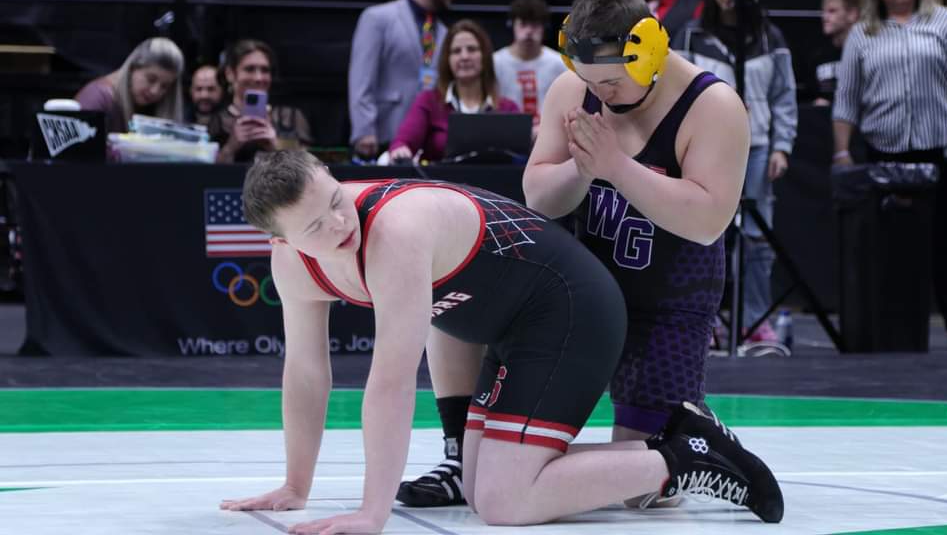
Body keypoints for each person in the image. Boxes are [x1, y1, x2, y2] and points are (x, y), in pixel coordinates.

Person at [220, 150, 783, 533]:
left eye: (337, 200)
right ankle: (677, 443)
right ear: (279, 240)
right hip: (504, 320)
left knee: (503, 499)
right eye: (315, 227)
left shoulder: (394, 232)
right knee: (480, 480)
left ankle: (684, 454)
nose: (340, 224)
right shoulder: (291, 266)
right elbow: (306, 373)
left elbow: (390, 380)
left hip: (568, 306)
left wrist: (373, 513)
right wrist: (297, 484)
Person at [400, 0, 766, 517]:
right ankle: (462, 454)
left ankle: (693, 443)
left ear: (652, 51)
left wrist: (616, 166)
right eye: (590, 81)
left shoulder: (712, 105)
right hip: (576, 295)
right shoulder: (573, 91)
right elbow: (539, 198)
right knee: (458, 290)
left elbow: (707, 222)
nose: (603, 94)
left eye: (613, 81)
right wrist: (582, 167)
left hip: (664, 300)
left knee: (643, 495)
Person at [833, 0, 947, 350]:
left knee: (945, 240)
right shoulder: (863, 35)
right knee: (888, 247)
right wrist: (842, 152)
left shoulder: (945, 24)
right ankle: (892, 323)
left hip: (937, 150)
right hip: (883, 153)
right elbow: (846, 99)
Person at [686, 0, 798, 342]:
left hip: (759, 148)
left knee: (755, 237)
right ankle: (705, 319)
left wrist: (782, 146)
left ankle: (753, 321)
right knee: (705, 235)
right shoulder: (692, 36)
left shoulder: (771, 38)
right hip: (708, 150)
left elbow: (784, 97)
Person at [349, 0, 458, 159]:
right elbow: (361, 77)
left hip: (426, 141)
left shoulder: (444, 31)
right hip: (384, 133)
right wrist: (364, 130)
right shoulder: (378, 18)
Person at [387, 20, 519, 163]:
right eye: (456, 51)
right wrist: (400, 150)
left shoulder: (507, 108)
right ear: (447, 60)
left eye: (472, 49)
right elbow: (402, 143)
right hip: (438, 184)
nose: (464, 57)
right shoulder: (428, 101)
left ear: (485, 56)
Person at [209, 39, 312, 164]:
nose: (259, 78)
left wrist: (276, 145)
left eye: (265, 70)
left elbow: (310, 170)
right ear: (230, 73)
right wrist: (231, 147)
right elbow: (207, 173)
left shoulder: (291, 117)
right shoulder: (218, 121)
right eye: (249, 69)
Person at [74, 37, 185, 133]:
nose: (155, 91)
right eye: (151, 79)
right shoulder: (98, 97)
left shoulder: (150, 105)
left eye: (165, 86)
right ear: (132, 68)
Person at [492, 0, 564, 127]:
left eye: (535, 25)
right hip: (505, 131)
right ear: (512, 25)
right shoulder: (495, 62)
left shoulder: (559, 63)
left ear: (544, 28)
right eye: (523, 24)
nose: (529, 31)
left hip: (547, 133)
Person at [803, 0, 860, 106]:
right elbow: (807, 96)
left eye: (832, 11)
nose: (825, 18)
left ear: (852, 14)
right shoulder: (817, 57)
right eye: (823, 12)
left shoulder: (866, 54)